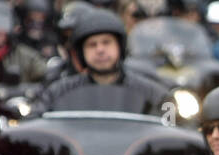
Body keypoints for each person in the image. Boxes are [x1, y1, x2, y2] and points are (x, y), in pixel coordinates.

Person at [31, 8, 171, 116]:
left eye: (106, 42)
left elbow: (177, 129)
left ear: (120, 47)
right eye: (92, 45)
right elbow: (34, 124)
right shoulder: (59, 92)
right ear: (81, 53)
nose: (100, 50)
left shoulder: (151, 92)